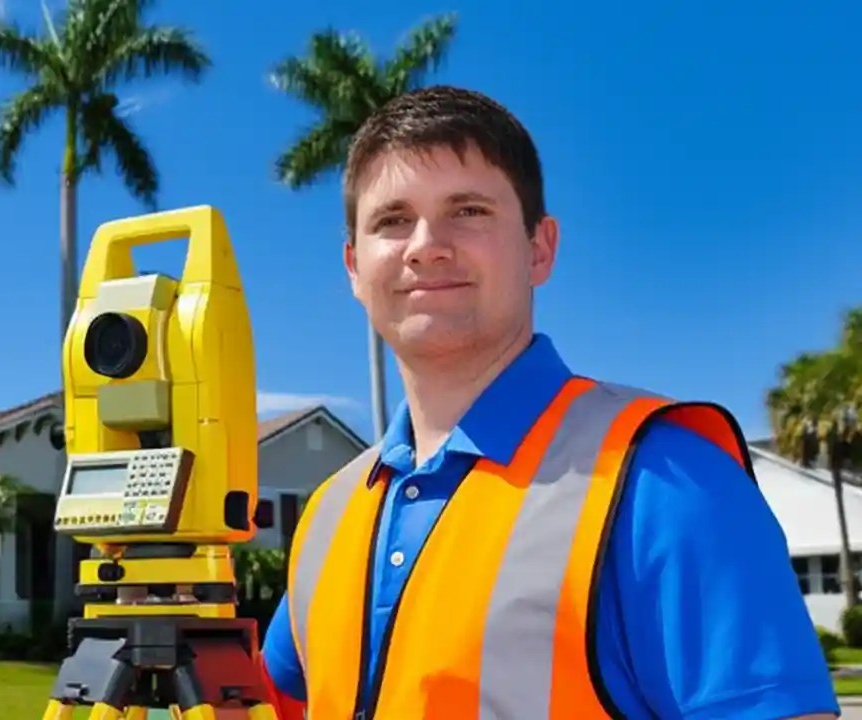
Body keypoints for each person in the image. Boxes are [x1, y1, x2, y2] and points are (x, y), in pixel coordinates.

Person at [256, 85, 840, 719]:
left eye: (469, 211)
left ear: (540, 248)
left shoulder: (664, 479)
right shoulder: (328, 512)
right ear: (353, 266)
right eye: (392, 221)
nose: (426, 244)